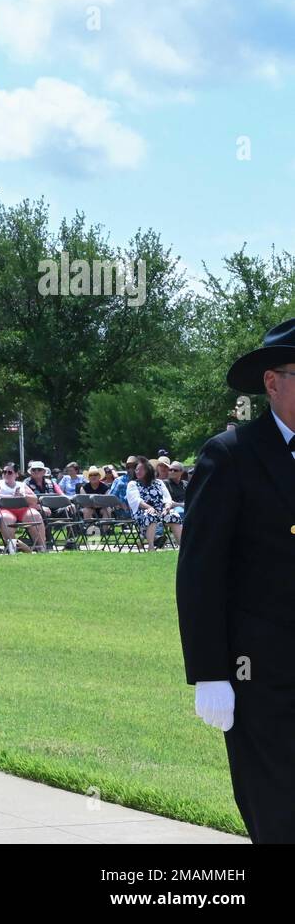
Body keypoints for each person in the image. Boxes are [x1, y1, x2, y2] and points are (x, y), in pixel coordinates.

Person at [178, 318, 295, 842]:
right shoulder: (230, 455)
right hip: (262, 673)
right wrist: (210, 671)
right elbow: (201, 571)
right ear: (273, 382)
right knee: (277, 811)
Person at [0, 463, 42, 552]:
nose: (6, 474)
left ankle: (41, 547)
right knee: (5, 518)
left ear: (16, 474)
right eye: (4, 472)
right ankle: (13, 548)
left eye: (9, 472)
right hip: (5, 509)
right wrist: (11, 495)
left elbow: (34, 499)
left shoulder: (22, 485)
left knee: (35, 515)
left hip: (23, 510)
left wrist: (23, 495)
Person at [126, 455, 178, 550]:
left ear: (148, 470)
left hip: (161, 511)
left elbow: (167, 497)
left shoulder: (159, 482)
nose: (137, 471)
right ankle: (151, 547)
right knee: (151, 515)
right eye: (136, 469)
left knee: (174, 516)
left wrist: (167, 506)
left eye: (141, 469)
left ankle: (182, 547)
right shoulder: (133, 484)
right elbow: (136, 500)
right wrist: (149, 507)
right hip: (142, 512)